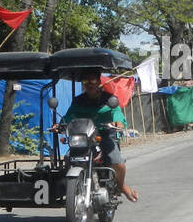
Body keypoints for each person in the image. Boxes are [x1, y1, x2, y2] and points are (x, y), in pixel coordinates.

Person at [57, 71, 138, 201]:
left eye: (92, 80)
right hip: (84, 136)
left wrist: (118, 122)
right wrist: (60, 125)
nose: (89, 84)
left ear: (99, 83)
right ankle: (72, 185)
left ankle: (121, 185)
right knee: (68, 157)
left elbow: (117, 113)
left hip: (104, 134)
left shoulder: (109, 99)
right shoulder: (78, 100)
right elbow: (69, 115)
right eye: (85, 82)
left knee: (117, 162)